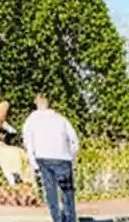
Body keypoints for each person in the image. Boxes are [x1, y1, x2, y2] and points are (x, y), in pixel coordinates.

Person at [23, 94, 80, 222]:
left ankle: (57, 219)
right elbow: (74, 140)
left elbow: (28, 141)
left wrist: (33, 161)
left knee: (51, 192)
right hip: (62, 158)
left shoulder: (31, 120)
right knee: (67, 192)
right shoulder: (61, 119)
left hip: (43, 158)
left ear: (36, 104)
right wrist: (71, 156)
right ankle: (70, 218)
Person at [0, 101, 33, 186]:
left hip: (14, 150)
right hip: (5, 151)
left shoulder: (5, 123)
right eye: (2, 110)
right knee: (14, 173)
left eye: (5, 110)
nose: (4, 112)